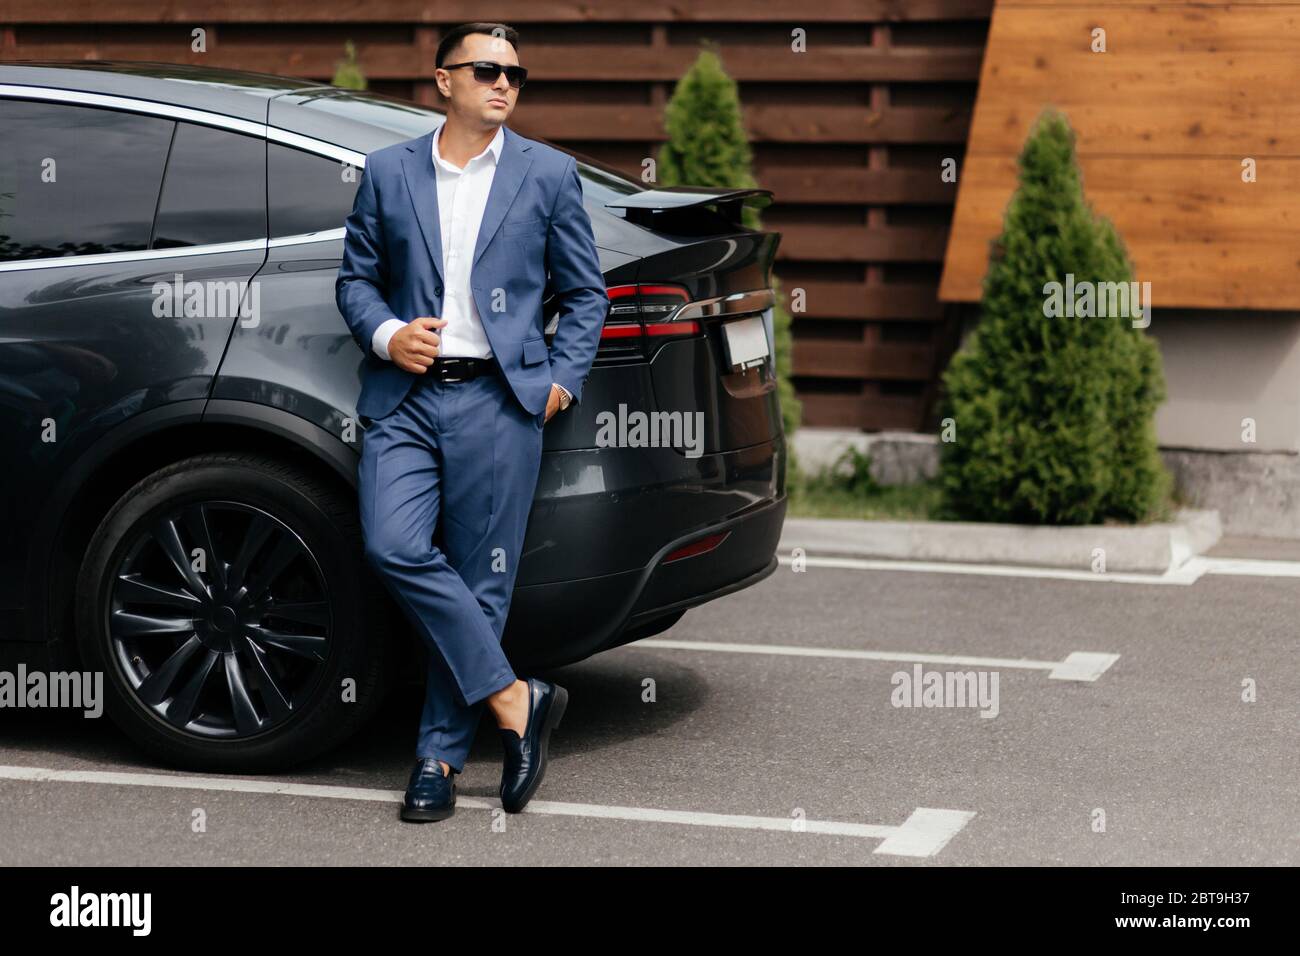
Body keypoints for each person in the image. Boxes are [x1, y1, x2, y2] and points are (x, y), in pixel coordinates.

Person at [335, 21, 608, 822]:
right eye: (487, 69)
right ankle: (518, 700)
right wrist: (389, 333)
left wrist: (561, 381)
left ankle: (438, 761)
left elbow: (585, 295)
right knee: (392, 545)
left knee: (482, 585)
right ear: (443, 80)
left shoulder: (547, 175)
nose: (504, 85)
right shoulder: (388, 173)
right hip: (406, 400)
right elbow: (356, 281)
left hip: (500, 400)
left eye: (516, 76)